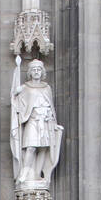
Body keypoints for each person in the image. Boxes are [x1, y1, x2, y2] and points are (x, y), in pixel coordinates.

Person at [10, 56, 63, 189]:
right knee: (31, 147)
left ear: (42, 71)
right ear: (30, 72)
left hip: (45, 122)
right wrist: (16, 94)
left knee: (43, 148)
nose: (36, 71)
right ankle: (25, 171)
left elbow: (50, 107)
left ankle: (37, 173)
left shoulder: (47, 88)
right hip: (32, 121)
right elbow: (18, 105)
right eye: (34, 69)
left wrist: (53, 122)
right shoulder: (25, 87)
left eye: (39, 69)